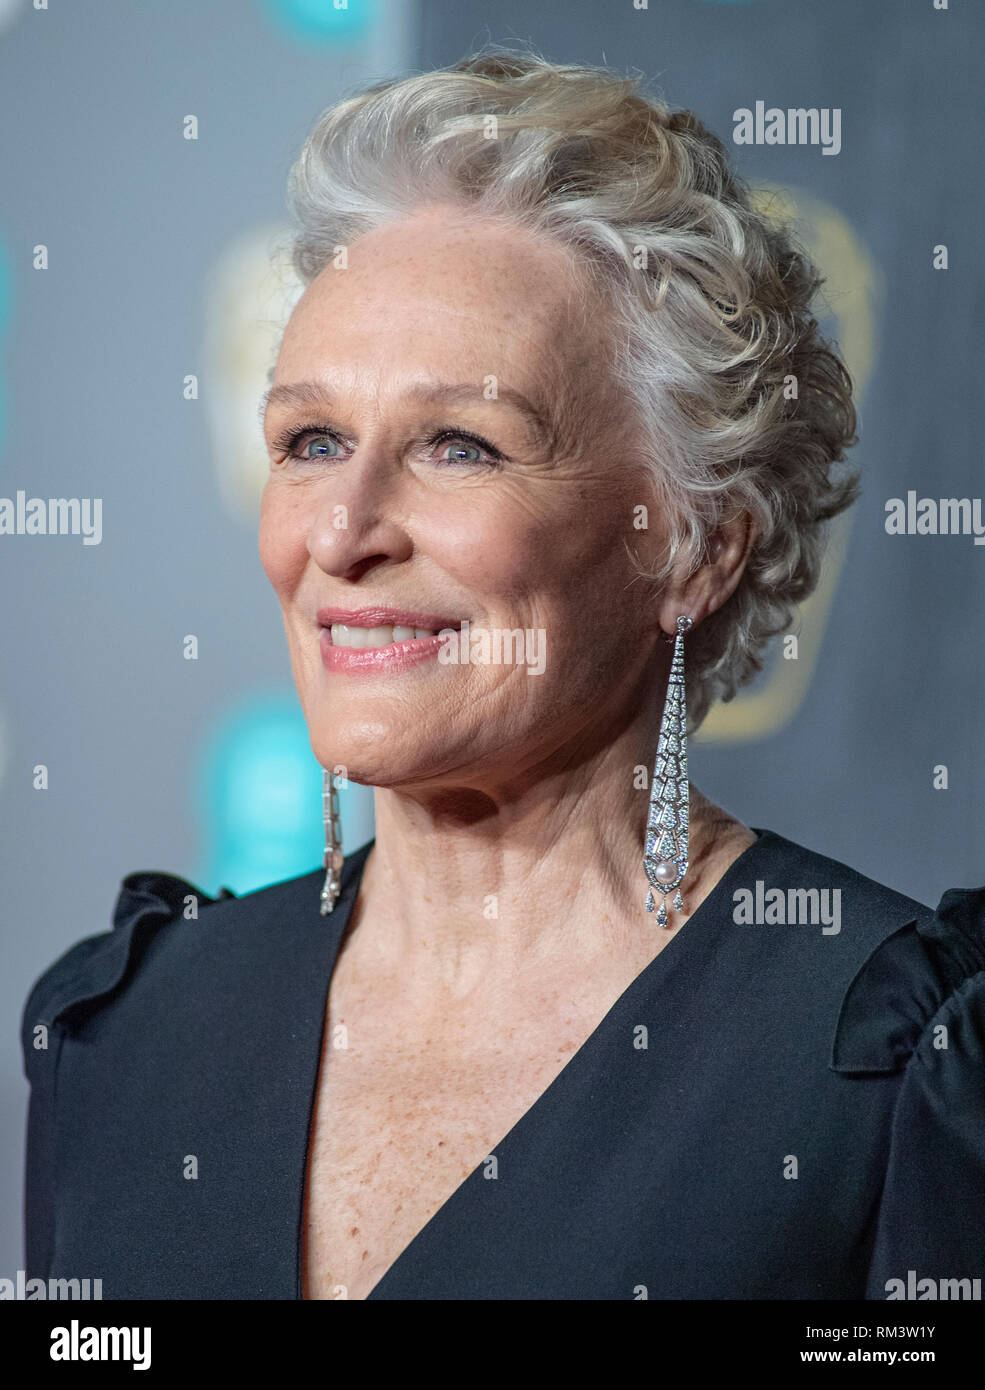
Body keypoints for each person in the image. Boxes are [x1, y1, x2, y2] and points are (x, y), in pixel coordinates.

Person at [21, 51, 985, 1301]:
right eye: (312, 440)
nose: (340, 530)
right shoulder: (130, 1037)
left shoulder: (889, 1065)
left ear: (692, 545)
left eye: (458, 445)